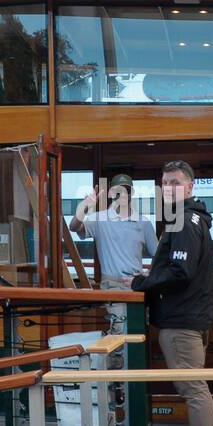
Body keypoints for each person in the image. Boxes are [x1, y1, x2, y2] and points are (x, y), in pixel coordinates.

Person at [131, 160, 213, 426]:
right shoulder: (193, 218)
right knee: (193, 387)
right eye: (164, 182)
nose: (169, 188)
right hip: (189, 317)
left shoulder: (184, 222)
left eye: (175, 182)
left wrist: (142, 282)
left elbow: (180, 273)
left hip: (182, 321)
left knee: (193, 389)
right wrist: (154, 274)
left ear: (190, 186)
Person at [70, 174, 158, 405]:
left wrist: (146, 275)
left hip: (138, 289)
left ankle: (131, 398)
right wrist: (87, 203)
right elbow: (73, 226)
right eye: (117, 190)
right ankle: (118, 399)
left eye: (126, 190)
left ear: (132, 194)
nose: (121, 195)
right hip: (112, 288)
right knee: (119, 343)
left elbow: (159, 259)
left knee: (135, 342)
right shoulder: (99, 219)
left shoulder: (143, 222)